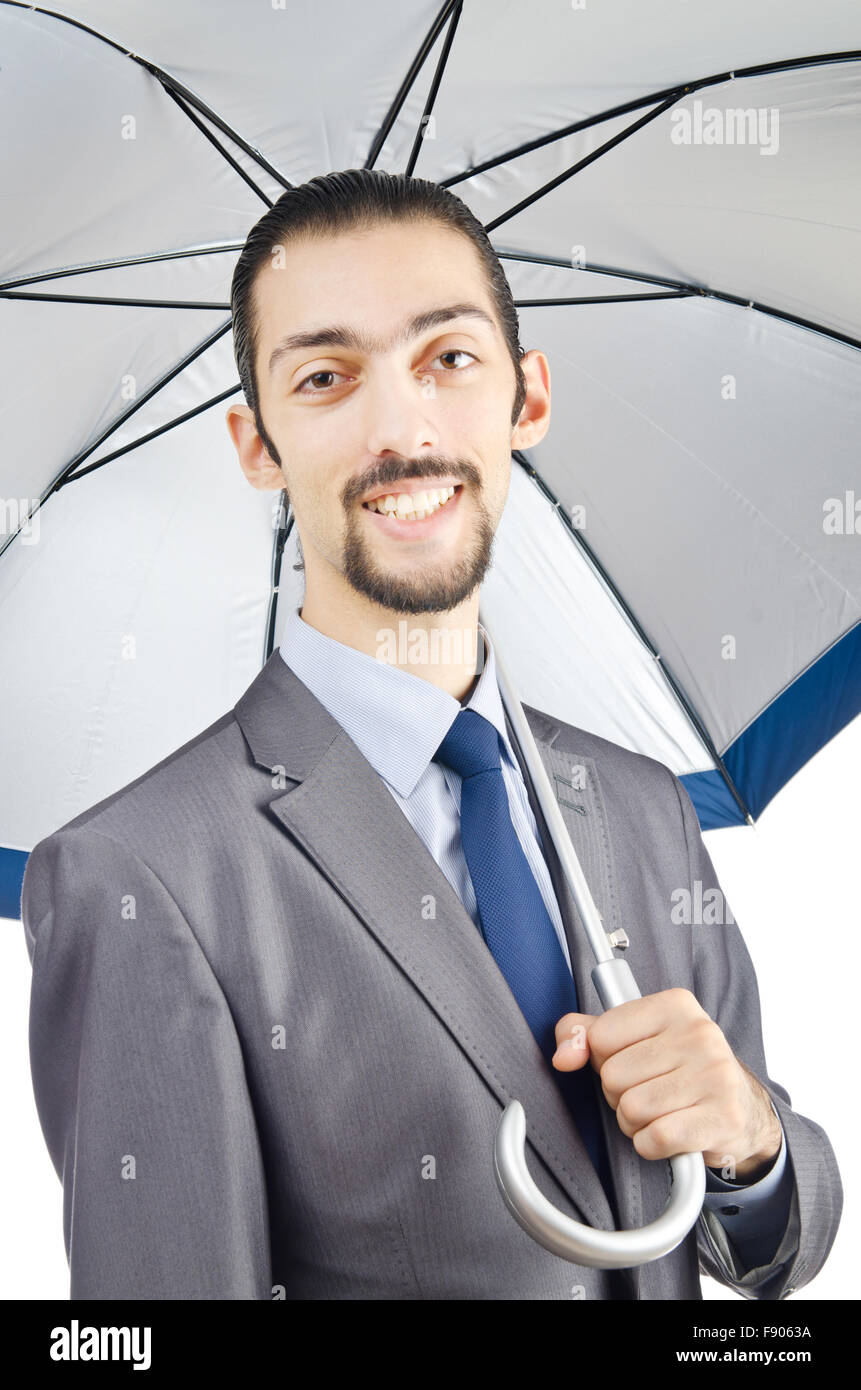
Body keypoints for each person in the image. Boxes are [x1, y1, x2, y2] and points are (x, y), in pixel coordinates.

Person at [22, 169, 842, 1300]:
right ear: (256, 446)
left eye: (447, 358)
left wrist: (750, 1144)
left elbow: (767, 1261)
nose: (399, 429)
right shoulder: (144, 873)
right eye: (325, 376)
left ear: (528, 396)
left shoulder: (642, 807)